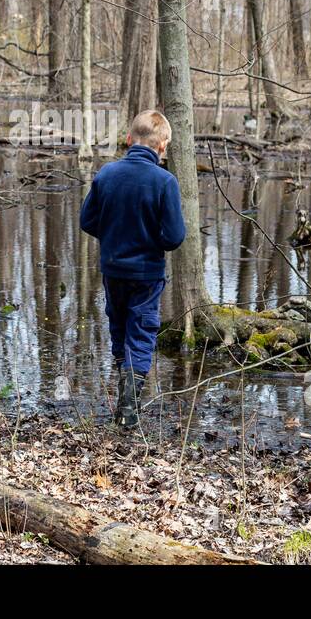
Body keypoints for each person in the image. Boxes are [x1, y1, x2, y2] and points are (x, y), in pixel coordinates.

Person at [79, 109, 186, 429]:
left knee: (119, 327)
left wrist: (114, 237)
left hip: (113, 269)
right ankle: (128, 411)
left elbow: (88, 221)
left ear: (129, 140)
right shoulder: (165, 182)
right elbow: (174, 237)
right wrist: (148, 238)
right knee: (140, 333)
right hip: (146, 275)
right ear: (162, 145)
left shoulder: (106, 174)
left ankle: (123, 401)